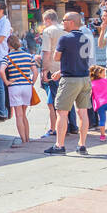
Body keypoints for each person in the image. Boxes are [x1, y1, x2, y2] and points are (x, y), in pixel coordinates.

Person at [47, 11, 93, 155]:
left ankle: (59, 145)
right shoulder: (86, 38)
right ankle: (82, 144)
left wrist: (62, 69)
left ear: (72, 22)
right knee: (83, 112)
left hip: (70, 80)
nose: (62, 22)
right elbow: (79, 60)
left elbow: (56, 57)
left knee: (61, 112)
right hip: (84, 78)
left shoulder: (65, 39)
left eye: (65, 20)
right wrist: (61, 71)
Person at [2, 34, 37, 147]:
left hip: (14, 87)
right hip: (27, 87)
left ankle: (23, 140)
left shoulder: (8, 57)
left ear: (9, 45)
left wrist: (7, 82)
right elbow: (35, 72)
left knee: (19, 115)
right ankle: (27, 138)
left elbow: (1, 71)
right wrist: (32, 82)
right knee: (24, 114)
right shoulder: (28, 56)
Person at [39, 9, 67, 137]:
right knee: (64, 99)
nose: (44, 24)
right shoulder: (65, 29)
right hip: (65, 68)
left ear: (48, 20)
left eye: (44, 21)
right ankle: (67, 126)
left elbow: (46, 52)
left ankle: (58, 129)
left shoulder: (48, 31)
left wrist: (44, 70)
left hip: (53, 69)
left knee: (56, 101)